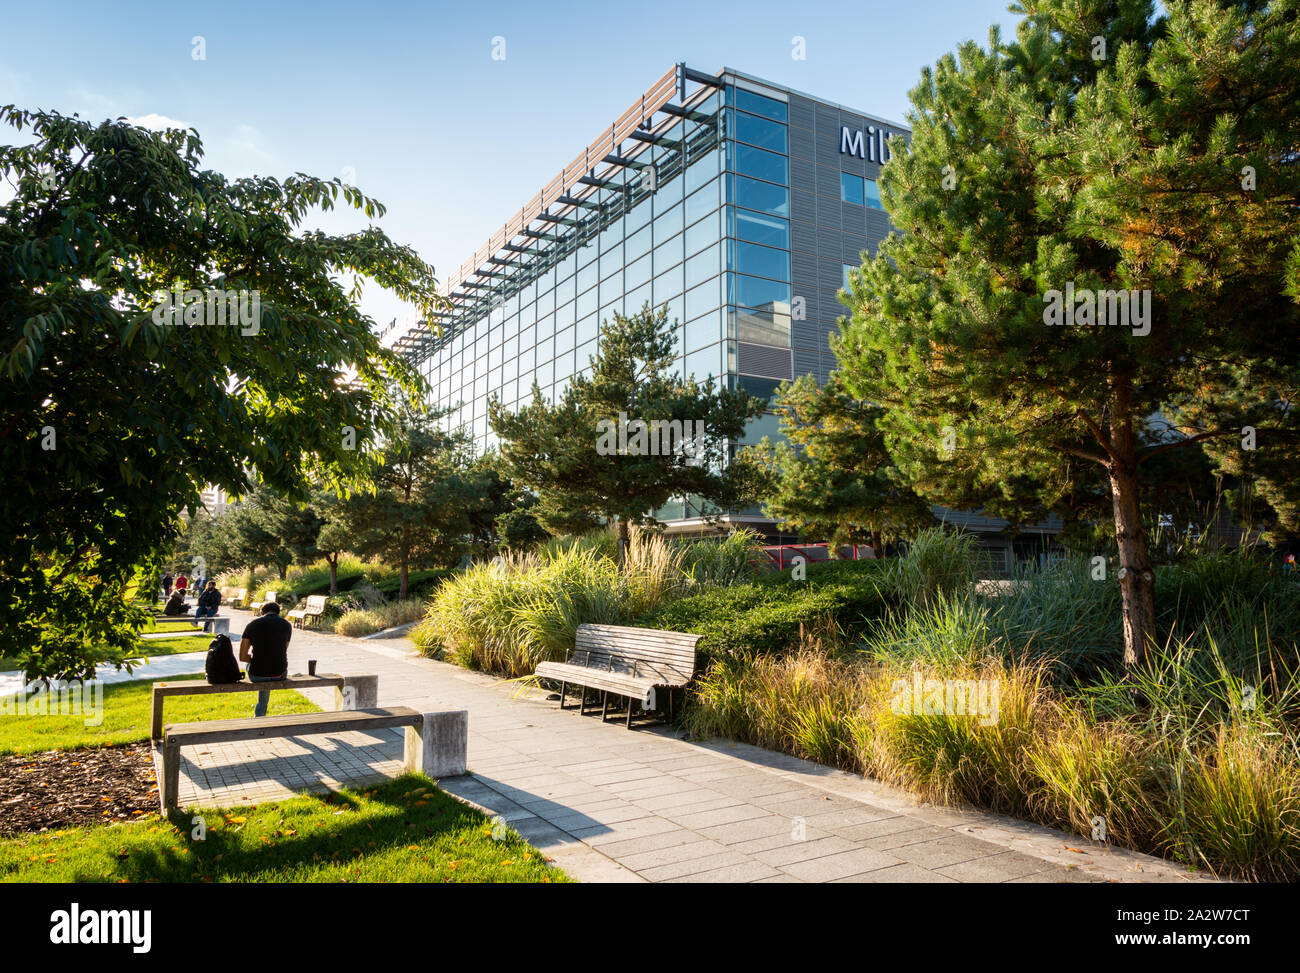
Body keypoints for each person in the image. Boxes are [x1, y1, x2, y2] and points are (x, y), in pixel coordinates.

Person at [239, 602, 292, 717]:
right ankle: (260, 713)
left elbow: (242, 657)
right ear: (278, 613)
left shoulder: (253, 624)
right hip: (280, 673)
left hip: (257, 674)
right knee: (269, 667)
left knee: (257, 667)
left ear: (262, 612)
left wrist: (257, 659)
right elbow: (283, 649)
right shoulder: (287, 625)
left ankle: (259, 716)